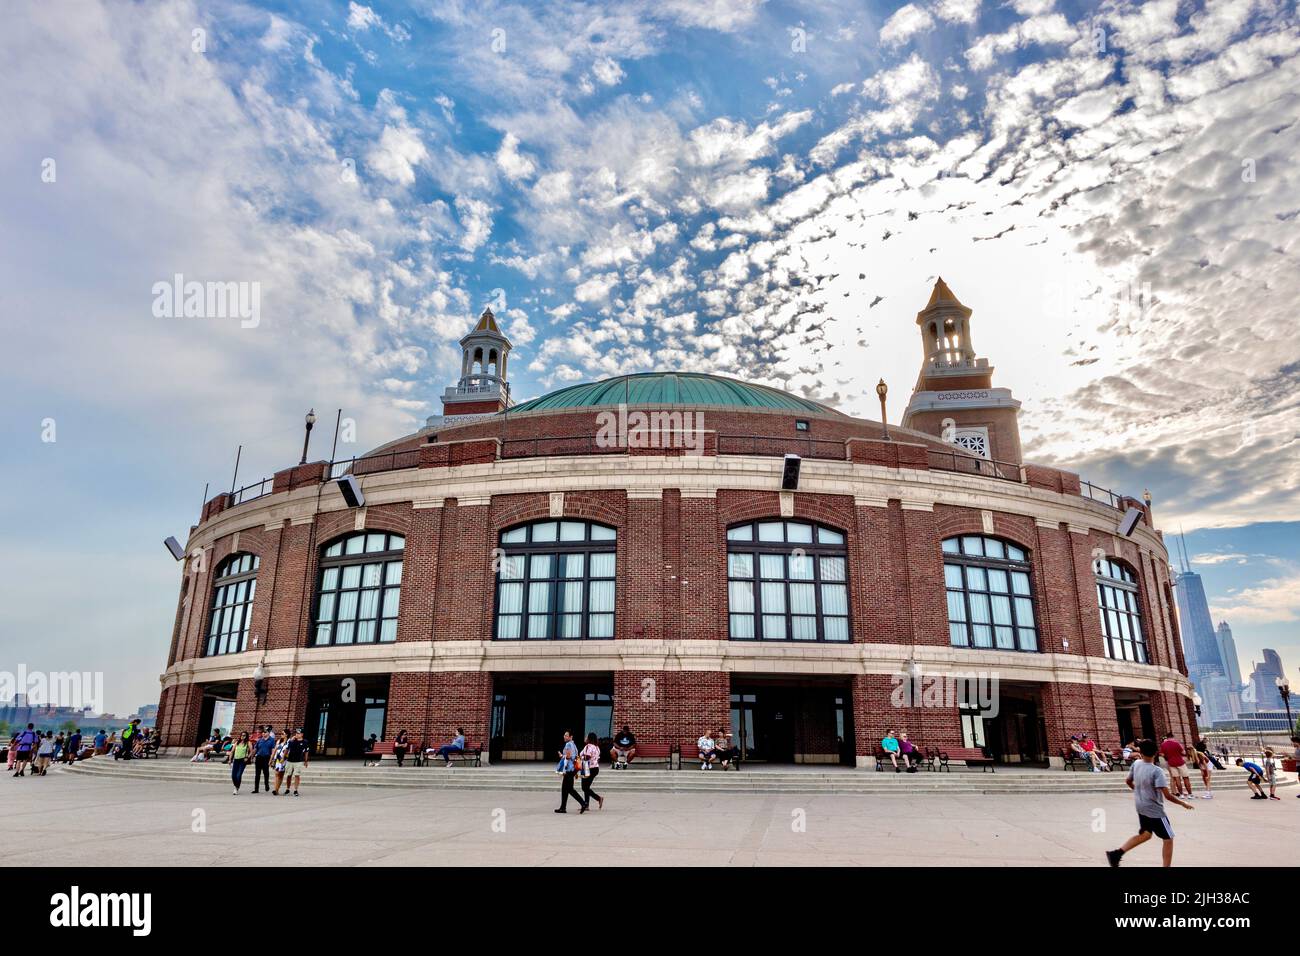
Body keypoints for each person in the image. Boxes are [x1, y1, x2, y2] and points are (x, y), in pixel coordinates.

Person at [1106, 739, 1194, 867]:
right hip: (1154, 810)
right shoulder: (1157, 771)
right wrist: (1183, 803)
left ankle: (1116, 854)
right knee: (1168, 838)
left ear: (1140, 752)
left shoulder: (1136, 764)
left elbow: (1128, 781)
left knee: (1146, 834)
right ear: (1156, 753)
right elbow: (1167, 795)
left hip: (1141, 806)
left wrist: (1139, 792)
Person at [555, 730, 587, 813]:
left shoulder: (568, 744)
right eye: (564, 735)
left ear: (571, 737)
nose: (564, 737)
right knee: (565, 789)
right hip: (573, 769)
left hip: (569, 770)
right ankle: (563, 807)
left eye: (566, 735)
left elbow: (568, 757)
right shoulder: (574, 745)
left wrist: (561, 755)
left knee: (569, 789)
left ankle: (583, 803)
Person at [1158, 733, 1192, 797]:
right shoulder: (1176, 743)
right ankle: (1190, 794)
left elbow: (1162, 754)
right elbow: (1183, 752)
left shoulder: (1163, 744)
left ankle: (1181, 794)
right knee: (1186, 778)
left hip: (1171, 763)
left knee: (1177, 779)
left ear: (1167, 737)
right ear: (1173, 737)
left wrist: (1167, 757)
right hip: (1180, 762)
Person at [279, 729, 308, 797]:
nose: (297, 735)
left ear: (302, 734)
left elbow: (306, 751)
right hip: (290, 760)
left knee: (297, 775)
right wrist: (283, 758)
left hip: (298, 761)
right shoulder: (292, 741)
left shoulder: (305, 742)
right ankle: (287, 789)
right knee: (289, 775)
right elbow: (287, 749)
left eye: (299, 733)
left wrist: (306, 761)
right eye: (296, 733)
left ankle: (295, 790)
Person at [579, 732, 604, 810]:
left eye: (586, 737)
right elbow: (598, 758)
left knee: (584, 788)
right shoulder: (597, 747)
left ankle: (598, 798)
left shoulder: (588, 746)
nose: (585, 738)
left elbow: (587, 757)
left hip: (587, 768)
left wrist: (579, 758)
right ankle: (586, 805)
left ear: (589, 738)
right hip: (595, 768)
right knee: (586, 787)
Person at [252, 726, 276, 793]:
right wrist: (251, 756)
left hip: (266, 758)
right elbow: (255, 749)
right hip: (259, 757)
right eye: (262, 732)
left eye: (265, 732)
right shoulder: (260, 740)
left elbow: (273, 750)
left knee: (266, 772)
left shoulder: (272, 740)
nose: (263, 733)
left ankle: (266, 784)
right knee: (257, 774)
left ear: (268, 733)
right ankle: (256, 789)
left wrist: (272, 759)